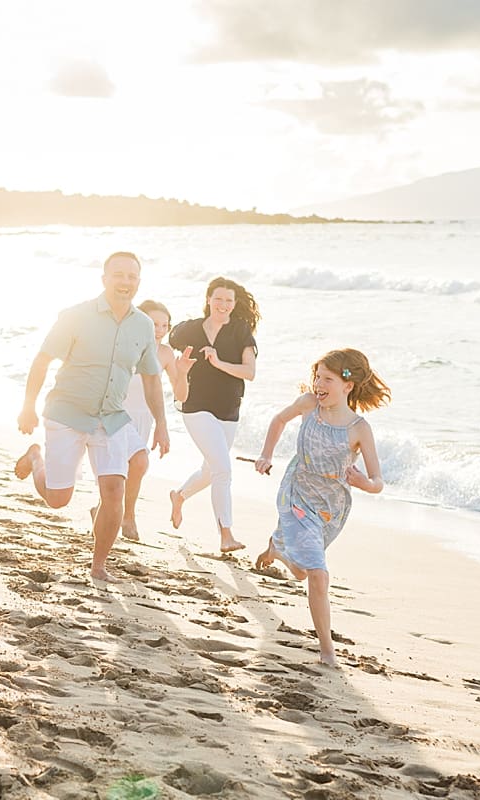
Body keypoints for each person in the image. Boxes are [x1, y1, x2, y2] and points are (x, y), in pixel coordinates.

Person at [15, 252, 170, 583]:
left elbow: (153, 378)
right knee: (58, 499)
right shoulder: (76, 316)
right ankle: (36, 456)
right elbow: (43, 360)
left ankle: (98, 565)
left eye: (131, 276)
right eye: (118, 275)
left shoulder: (143, 325)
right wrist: (28, 405)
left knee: (114, 490)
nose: (125, 282)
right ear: (104, 279)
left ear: (139, 282)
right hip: (68, 413)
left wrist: (162, 426)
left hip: (111, 418)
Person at [252, 348, 390, 667]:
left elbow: (378, 480)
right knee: (317, 573)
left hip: (331, 505)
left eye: (326, 379)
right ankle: (328, 651)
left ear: (347, 385)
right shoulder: (308, 404)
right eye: (317, 376)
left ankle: (278, 549)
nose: (318, 384)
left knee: (302, 572)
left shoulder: (359, 428)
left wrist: (364, 483)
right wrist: (266, 455)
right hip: (297, 492)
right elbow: (278, 420)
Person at [167, 277, 260, 553]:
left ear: (234, 304)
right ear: (208, 299)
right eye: (218, 298)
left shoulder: (241, 331)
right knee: (223, 469)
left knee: (211, 470)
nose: (223, 305)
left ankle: (179, 495)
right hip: (196, 407)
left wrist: (218, 362)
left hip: (229, 409)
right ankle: (226, 535)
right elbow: (161, 340)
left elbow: (249, 372)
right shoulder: (189, 330)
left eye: (229, 300)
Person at [108, 300, 193, 541]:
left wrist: (183, 373)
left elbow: (181, 395)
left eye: (164, 325)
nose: (159, 329)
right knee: (126, 466)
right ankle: (127, 515)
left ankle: (109, 511)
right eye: (154, 323)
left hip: (144, 417)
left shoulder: (165, 353)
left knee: (129, 468)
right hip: (116, 412)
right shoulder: (123, 342)